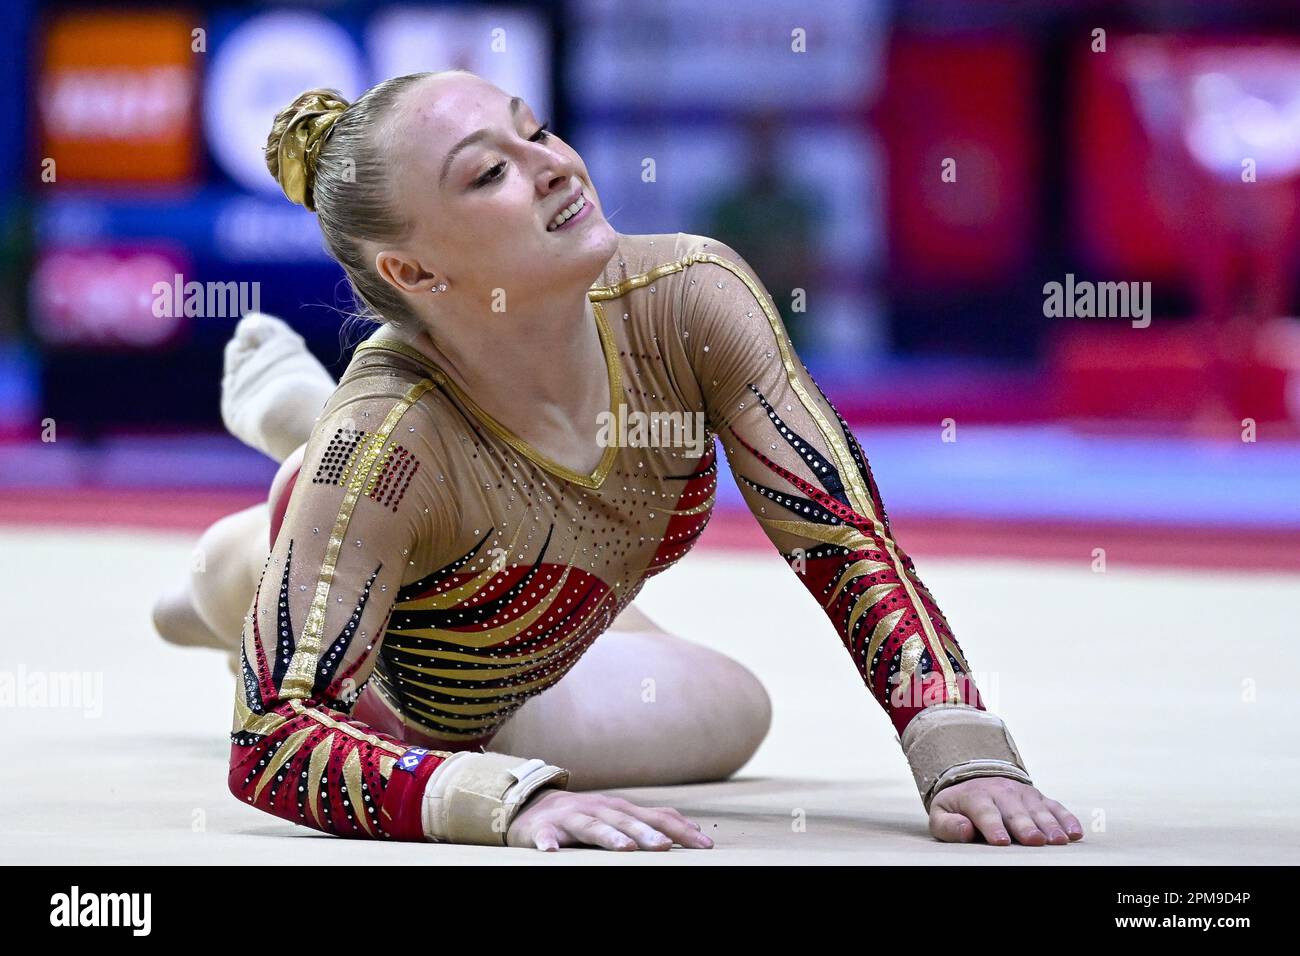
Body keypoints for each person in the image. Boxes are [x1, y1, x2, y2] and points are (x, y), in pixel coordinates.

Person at [155, 68, 1082, 851]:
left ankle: (298, 429)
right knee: (232, 575)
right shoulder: (390, 441)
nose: (554, 167)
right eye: (490, 175)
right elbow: (272, 738)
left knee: (738, 714)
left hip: (531, 595)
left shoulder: (690, 299)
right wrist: (501, 803)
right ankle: (282, 490)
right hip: (430, 691)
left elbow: (841, 536)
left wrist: (960, 744)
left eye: (538, 132)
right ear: (412, 272)